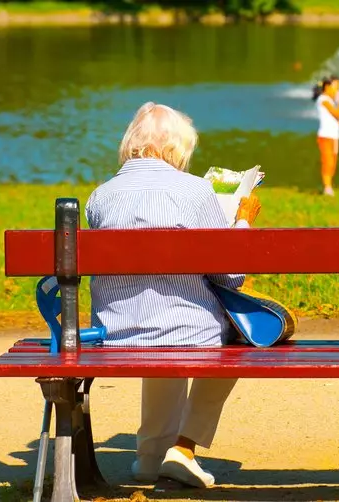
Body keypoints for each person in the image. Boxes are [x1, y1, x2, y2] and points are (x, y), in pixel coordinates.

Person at [85, 102, 262, 488]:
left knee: (162, 318)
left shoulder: (100, 196)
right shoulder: (196, 191)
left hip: (114, 335)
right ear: (177, 148)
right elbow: (231, 276)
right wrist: (243, 220)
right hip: (186, 333)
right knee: (235, 335)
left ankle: (150, 456)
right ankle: (183, 448)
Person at [312, 75, 339, 196]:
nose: (338, 91)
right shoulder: (323, 99)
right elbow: (337, 113)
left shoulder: (330, 101)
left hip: (334, 137)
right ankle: (327, 188)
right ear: (327, 87)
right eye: (336, 87)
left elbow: (334, 118)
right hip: (325, 136)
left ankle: (329, 186)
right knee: (327, 162)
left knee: (333, 162)